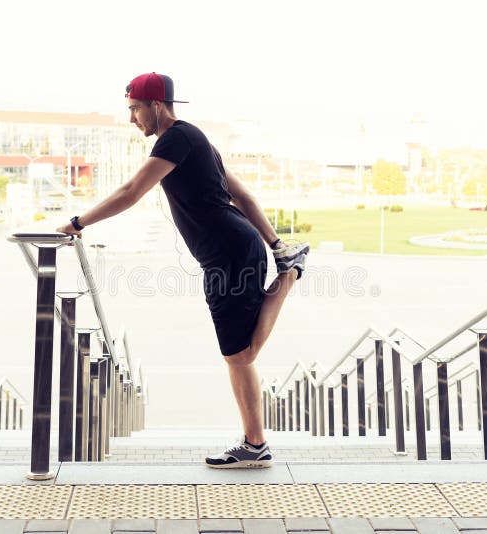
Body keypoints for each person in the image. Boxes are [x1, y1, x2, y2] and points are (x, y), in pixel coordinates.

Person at [56, 72, 309, 469]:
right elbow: (242, 195)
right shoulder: (196, 139)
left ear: (157, 106)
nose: (131, 119)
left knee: (240, 355)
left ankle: (290, 276)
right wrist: (274, 244)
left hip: (227, 254)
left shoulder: (175, 139)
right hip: (233, 250)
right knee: (239, 355)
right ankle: (255, 442)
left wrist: (77, 223)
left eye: (134, 109)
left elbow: (131, 192)